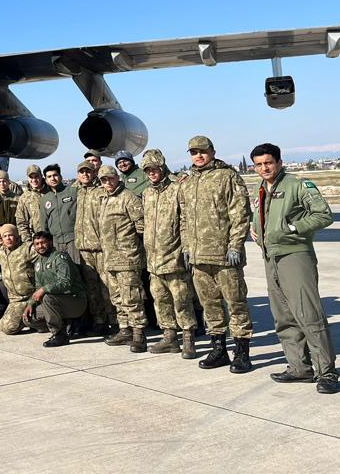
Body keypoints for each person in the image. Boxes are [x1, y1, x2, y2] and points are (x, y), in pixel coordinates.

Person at [250, 143, 339, 393]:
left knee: (309, 315)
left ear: (278, 162)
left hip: (295, 256)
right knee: (283, 317)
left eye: (268, 162)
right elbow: (264, 217)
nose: (264, 168)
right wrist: (255, 227)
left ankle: (327, 372)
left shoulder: (297, 185)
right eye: (258, 164)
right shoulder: (261, 189)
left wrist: (293, 229)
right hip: (271, 258)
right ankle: (299, 367)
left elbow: (324, 215)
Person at [177, 135, 254, 373]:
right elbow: (184, 219)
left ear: (212, 151)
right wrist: (187, 248)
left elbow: (240, 213)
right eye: (193, 152)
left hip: (224, 256)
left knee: (236, 303)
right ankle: (219, 348)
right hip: (200, 258)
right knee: (210, 305)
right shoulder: (188, 182)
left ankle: (242, 352)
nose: (198, 156)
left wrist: (235, 245)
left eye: (202, 151)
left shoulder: (227, 177)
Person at [142, 151, 197, 359]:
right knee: (160, 300)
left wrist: (185, 249)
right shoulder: (147, 193)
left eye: (154, 169)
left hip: (173, 257)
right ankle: (169, 336)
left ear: (162, 167)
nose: (151, 173)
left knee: (182, 300)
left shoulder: (177, 188)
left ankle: (188, 338)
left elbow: (185, 221)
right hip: (154, 260)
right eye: (147, 170)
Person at [97, 165, 148, 352]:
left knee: (132, 298)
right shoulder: (105, 199)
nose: (107, 182)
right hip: (110, 258)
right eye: (103, 180)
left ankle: (139, 334)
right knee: (117, 297)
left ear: (117, 178)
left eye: (110, 178)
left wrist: (134, 248)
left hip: (126, 258)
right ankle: (124, 329)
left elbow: (141, 226)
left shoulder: (128, 198)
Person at [24, 231, 87, 347]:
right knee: (29, 318)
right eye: (37, 244)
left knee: (47, 298)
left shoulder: (60, 258)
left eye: (43, 243)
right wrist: (30, 303)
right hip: (56, 303)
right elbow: (38, 287)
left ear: (50, 242)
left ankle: (59, 335)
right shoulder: (38, 263)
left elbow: (66, 282)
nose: (40, 246)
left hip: (75, 301)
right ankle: (63, 325)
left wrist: (44, 289)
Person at [74, 161, 113, 336]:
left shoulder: (101, 192)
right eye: (81, 172)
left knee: (108, 286)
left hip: (100, 247)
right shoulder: (77, 192)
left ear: (94, 173)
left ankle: (115, 320)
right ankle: (99, 321)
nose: (85, 175)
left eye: (88, 172)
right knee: (91, 288)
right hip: (84, 248)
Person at [0, 224, 38, 335]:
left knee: (11, 327)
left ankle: (38, 321)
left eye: (11, 235)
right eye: (5, 236)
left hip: (30, 296)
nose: (8, 238)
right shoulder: (0, 253)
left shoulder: (27, 249)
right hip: (15, 299)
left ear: (17, 236)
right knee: (4, 326)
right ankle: (29, 320)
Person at [39, 165, 79, 263]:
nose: (53, 178)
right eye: (49, 176)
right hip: (56, 241)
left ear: (60, 176)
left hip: (73, 239)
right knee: (61, 269)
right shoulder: (45, 199)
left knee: (77, 268)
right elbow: (44, 223)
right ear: (46, 180)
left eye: (55, 175)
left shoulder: (73, 192)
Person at [14, 164, 50, 241]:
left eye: (36, 177)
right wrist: (27, 241)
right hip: (36, 240)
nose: (34, 180)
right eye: (31, 177)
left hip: (53, 237)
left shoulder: (51, 193)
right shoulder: (24, 198)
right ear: (28, 178)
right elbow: (21, 222)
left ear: (41, 176)